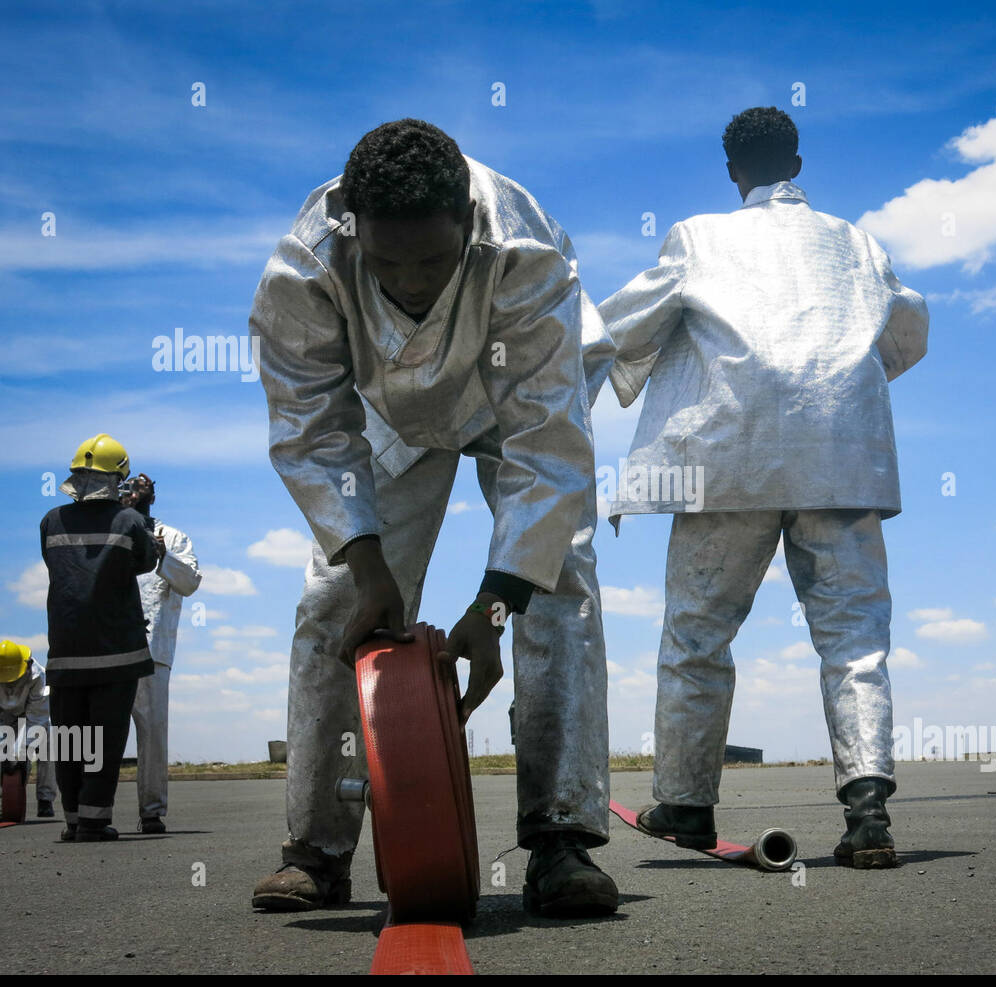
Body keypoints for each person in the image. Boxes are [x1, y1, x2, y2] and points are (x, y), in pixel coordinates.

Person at [249, 119, 616, 915]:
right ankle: (315, 847)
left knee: (560, 580)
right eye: (387, 264)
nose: (412, 283)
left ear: (468, 226)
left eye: (433, 262)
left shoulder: (526, 255)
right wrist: (370, 567)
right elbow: (310, 422)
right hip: (391, 413)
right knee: (334, 601)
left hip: (514, 395)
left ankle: (560, 836)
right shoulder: (306, 264)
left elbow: (547, 446)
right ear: (354, 231)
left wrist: (494, 605)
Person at [597, 107, 928, 869]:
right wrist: (859, 370)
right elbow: (908, 322)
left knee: (697, 635)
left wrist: (563, 377)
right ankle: (867, 811)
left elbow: (626, 325)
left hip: (725, 463)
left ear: (732, 173)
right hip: (840, 459)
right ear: (799, 165)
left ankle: (684, 801)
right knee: (854, 642)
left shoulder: (698, 237)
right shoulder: (858, 242)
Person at [41, 434, 157, 841]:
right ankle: (93, 820)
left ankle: (72, 819)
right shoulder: (128, 522)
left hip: (66, 652)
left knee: (71, 738)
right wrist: (141, 513)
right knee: (105, 740)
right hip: (116, 652)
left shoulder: (51, 521)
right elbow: (145, 560)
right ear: (119, 478)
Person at [120, 474, 202, 833]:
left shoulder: (174, 537)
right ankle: (93, 813)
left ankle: (151, 812)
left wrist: (163, 554)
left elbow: (190, 582)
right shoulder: (108, 534)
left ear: (152, 497)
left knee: (152, 732)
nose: (132, 493)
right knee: (104, 732)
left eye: (140, 488)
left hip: (154, 651)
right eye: (125, 488)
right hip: (107, 647)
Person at [0, 640, 56, 818]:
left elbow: (37, 720)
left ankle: (45, 799)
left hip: (32, 708)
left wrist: (23, 756)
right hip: (4, 713)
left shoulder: (38, 676)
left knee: (47, 746)